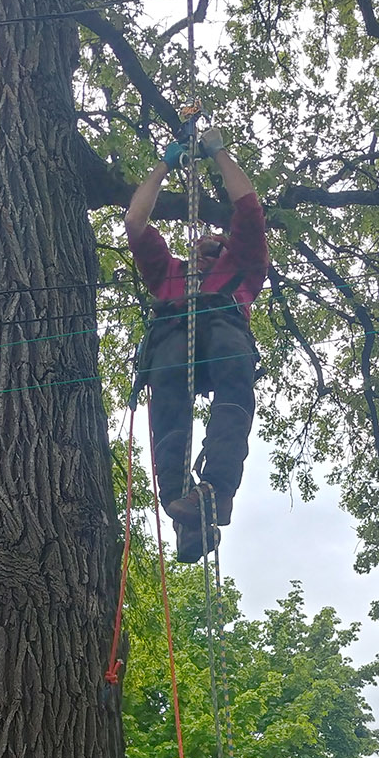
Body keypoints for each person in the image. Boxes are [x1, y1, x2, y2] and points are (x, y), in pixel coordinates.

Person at [125, 128, 269, 561]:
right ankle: (181, 507)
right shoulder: (170, 274)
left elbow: (247, 207)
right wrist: (166, 163)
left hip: (223, 329)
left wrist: (219, 152)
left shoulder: (242, 267)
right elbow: (135, 221)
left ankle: (216, 490)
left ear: (227, 251)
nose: (207, 246)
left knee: (234, 375)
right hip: (172, 341)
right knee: (167, 389)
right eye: (200, 245)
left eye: (217, 245)